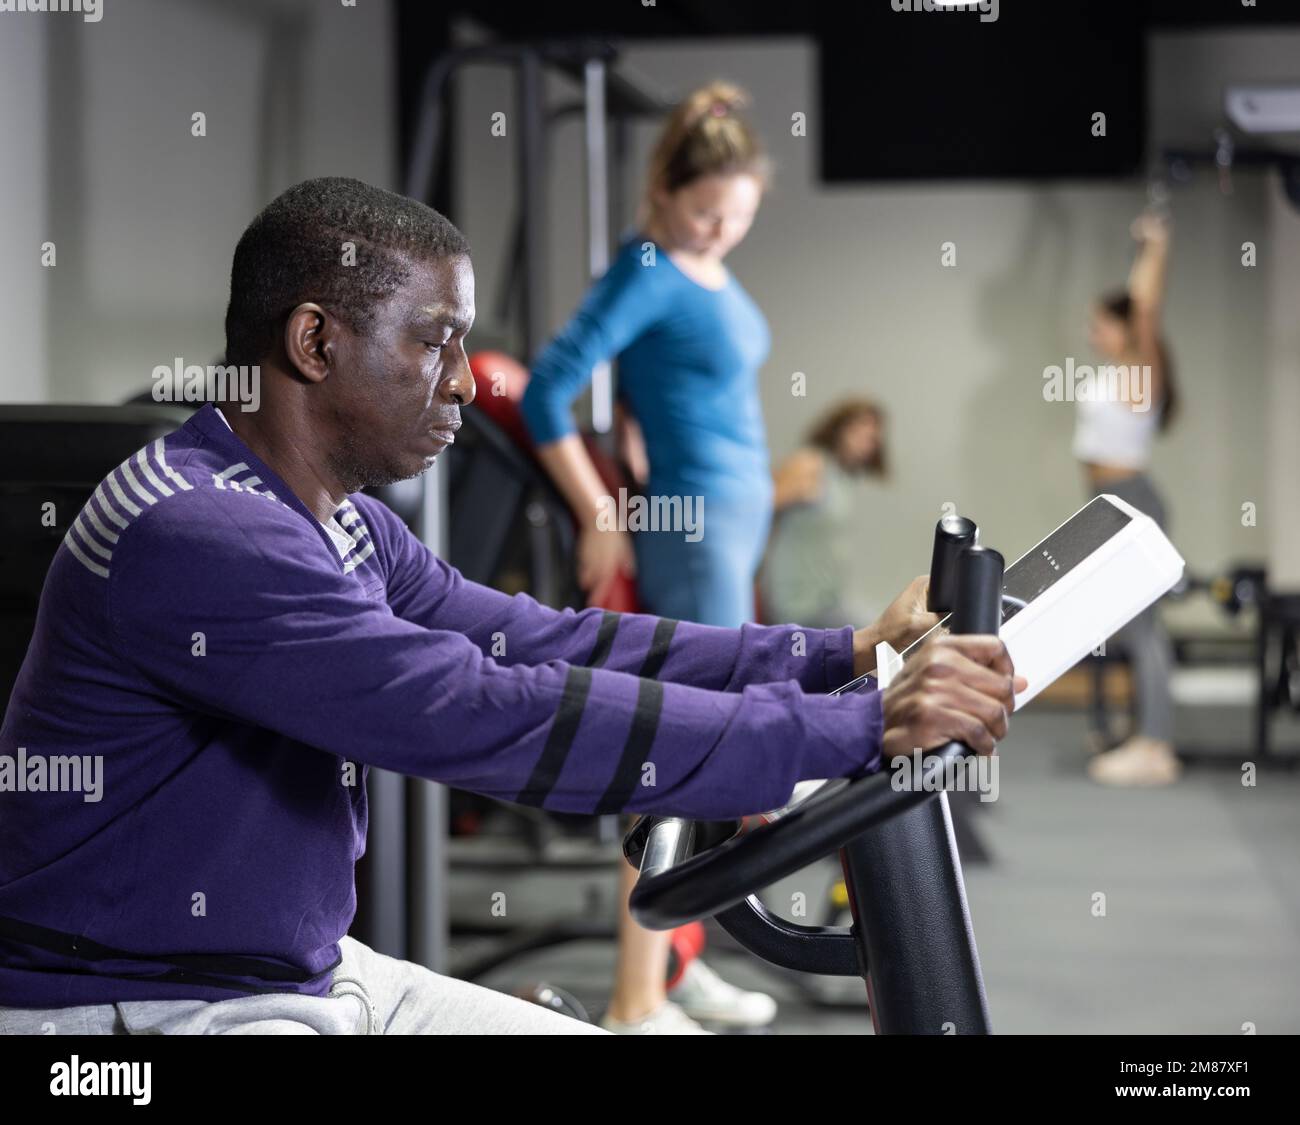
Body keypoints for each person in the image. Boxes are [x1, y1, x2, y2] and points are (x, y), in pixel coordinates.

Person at [0, 176, 1024, 1037]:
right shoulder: (200, 533)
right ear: (314, 342)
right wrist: (854, 726)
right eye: (433, 342)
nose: (459, 383)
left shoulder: (335, 518)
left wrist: (838, 655)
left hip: (301, 975)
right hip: (139, 1015)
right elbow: (481, 709)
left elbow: (541, 639)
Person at [521, 81, 780, 1032]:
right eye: (705, 211)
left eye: (738, 216)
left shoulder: (692, 270)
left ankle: (676, 963)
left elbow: (645, 378)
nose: (719, 230)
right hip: (695, 525)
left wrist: (631, 428)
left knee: (708, 751)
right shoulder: (644, 262)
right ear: (663, 191)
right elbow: (550, 388)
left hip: (732, 522)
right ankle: (634, 999)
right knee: (679, 754)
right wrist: (598, 508)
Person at [1075, 211, 1181, 787]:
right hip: (1108, 503)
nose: (1093, 334)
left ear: (1125, 328)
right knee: (1109, 622)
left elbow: (1146, 306)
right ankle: (1123, 727)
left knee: (1142, 629)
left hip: (1132, 500)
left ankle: (1155, 746)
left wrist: (1154, 246)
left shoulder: (1142, 372)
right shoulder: (1112, 375)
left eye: (1100, 324)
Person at [761, 399, 889, 629]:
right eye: (859, 430)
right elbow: (761, 512)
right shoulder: (811, 464)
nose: (865, 442)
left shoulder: (845, 477)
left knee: (882, 635)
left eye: (872, 437)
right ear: (839, 428)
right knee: (882, 639)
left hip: (828, 599)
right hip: (798, 603)